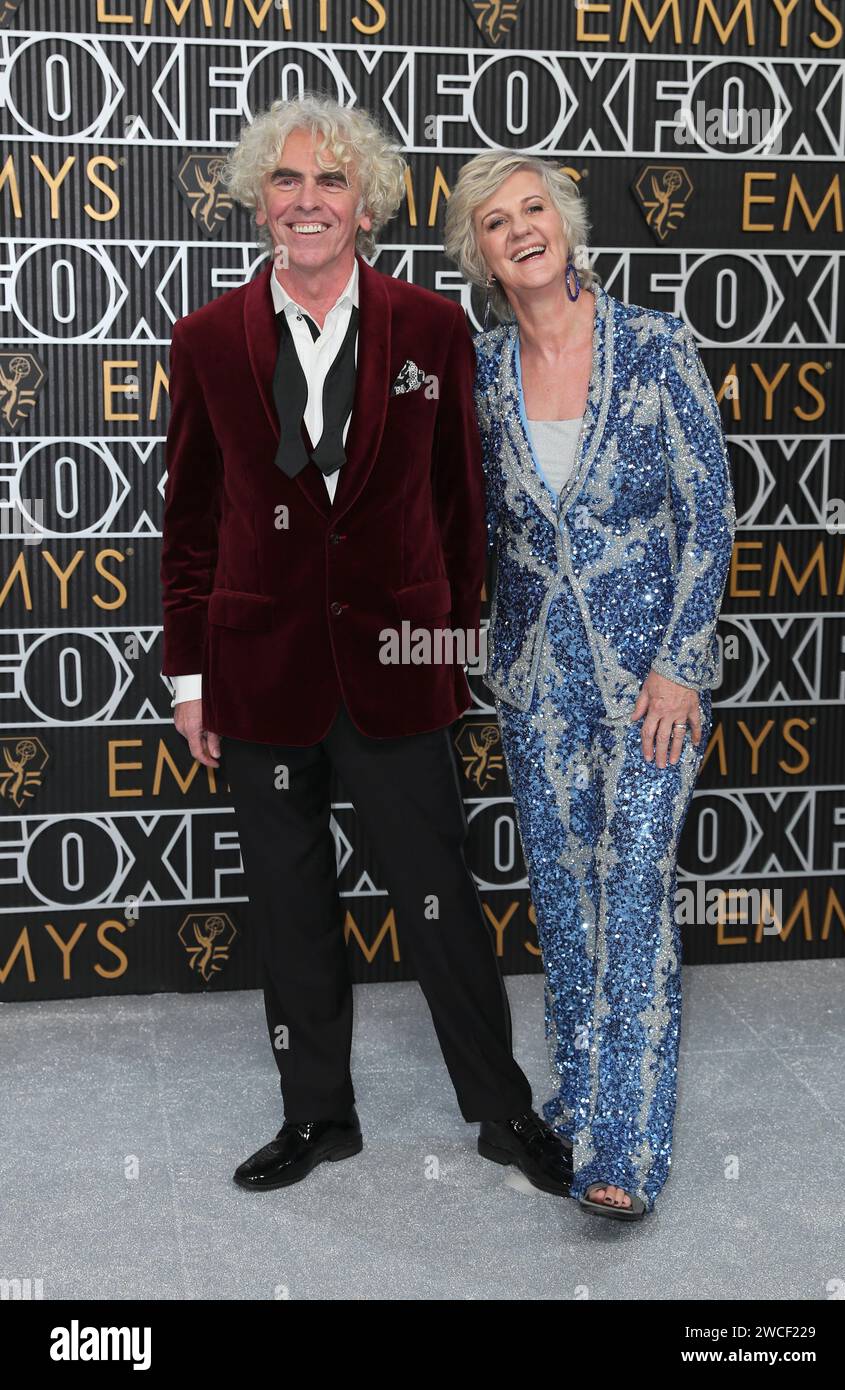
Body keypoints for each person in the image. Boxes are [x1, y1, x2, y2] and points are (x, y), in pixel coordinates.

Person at [160, 95, 572, 1196]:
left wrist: (436, 650)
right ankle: (316, 1118)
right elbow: (190, 522)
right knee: (289, 909)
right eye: (287, 182)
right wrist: (191, 678)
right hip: (258, 673)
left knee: (439, 903)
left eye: (330, 182)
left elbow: (458, 514)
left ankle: (501, 1111)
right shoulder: (204, 340)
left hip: (396, 672)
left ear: (368, 204)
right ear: (259, 203)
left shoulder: (433, 331)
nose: (307, 202)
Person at [444, 152, 737, 1221]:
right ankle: (578, 1096)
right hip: (533, 681)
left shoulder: (656, 347)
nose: (520, 229)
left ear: (563, 223)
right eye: (493, 221)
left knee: (634, 891)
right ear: (476, 253)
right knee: (563, 901)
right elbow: (454, 523)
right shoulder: (475, 370)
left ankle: (624, 1144)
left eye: (533, 208)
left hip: (649, 676)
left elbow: (708, 520)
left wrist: (678, 666)